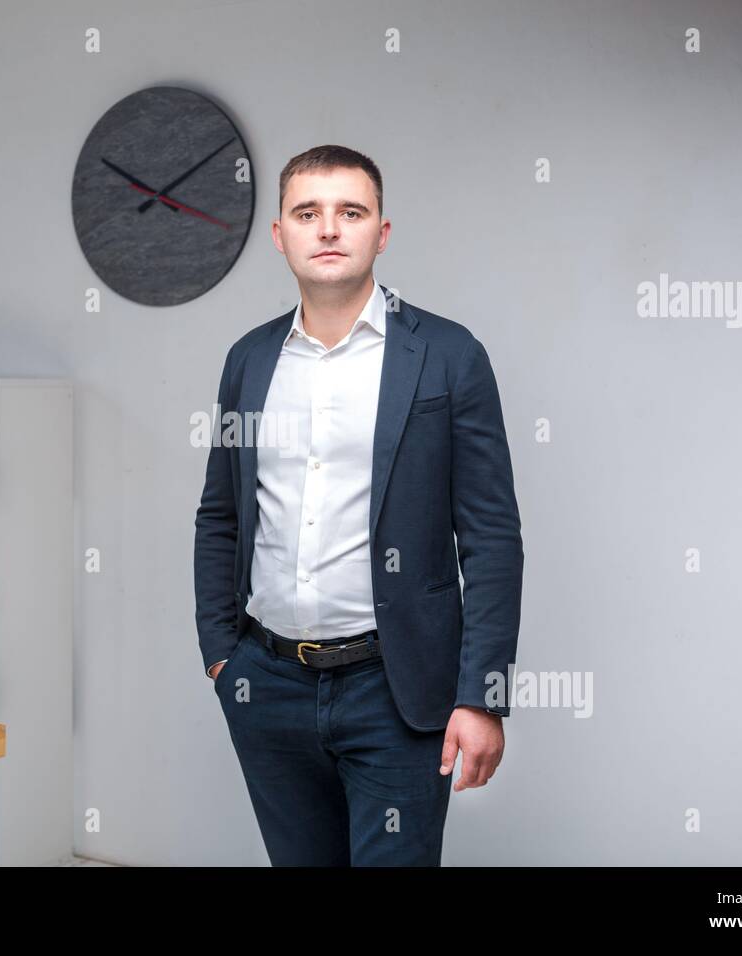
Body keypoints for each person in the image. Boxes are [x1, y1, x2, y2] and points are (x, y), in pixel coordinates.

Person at [193, 144, 524, 865]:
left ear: (382, 231)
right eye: (308, 213)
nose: (330, 229)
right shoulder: (249, 360)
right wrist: (223, 656)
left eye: (351, 211)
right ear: (280, 235)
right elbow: (220, 514)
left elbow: (493, 539)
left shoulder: (447, 354)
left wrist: (483, 696)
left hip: (398, 691)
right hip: (267, 686)